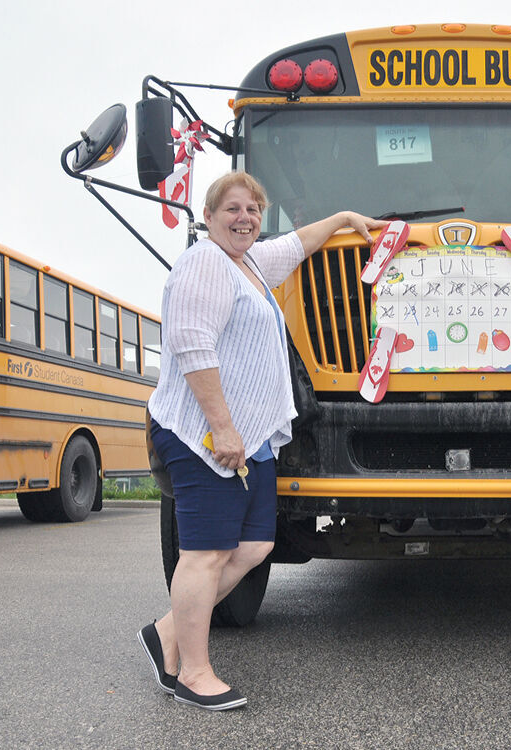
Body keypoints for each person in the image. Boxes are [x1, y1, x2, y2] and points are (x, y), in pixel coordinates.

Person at [137, 171, 385, 711]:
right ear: (209, 216)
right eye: (232, 209)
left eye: (252, 209)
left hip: (250, 439)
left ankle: (166, 632)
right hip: (205, 434)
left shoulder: (246, 265)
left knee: (255, 546)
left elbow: (297, 245)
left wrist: (344, 218)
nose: (244, 218)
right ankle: (193, 673)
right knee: (206, 553)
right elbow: (191, 345)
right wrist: (221, 427)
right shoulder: (205, 262)